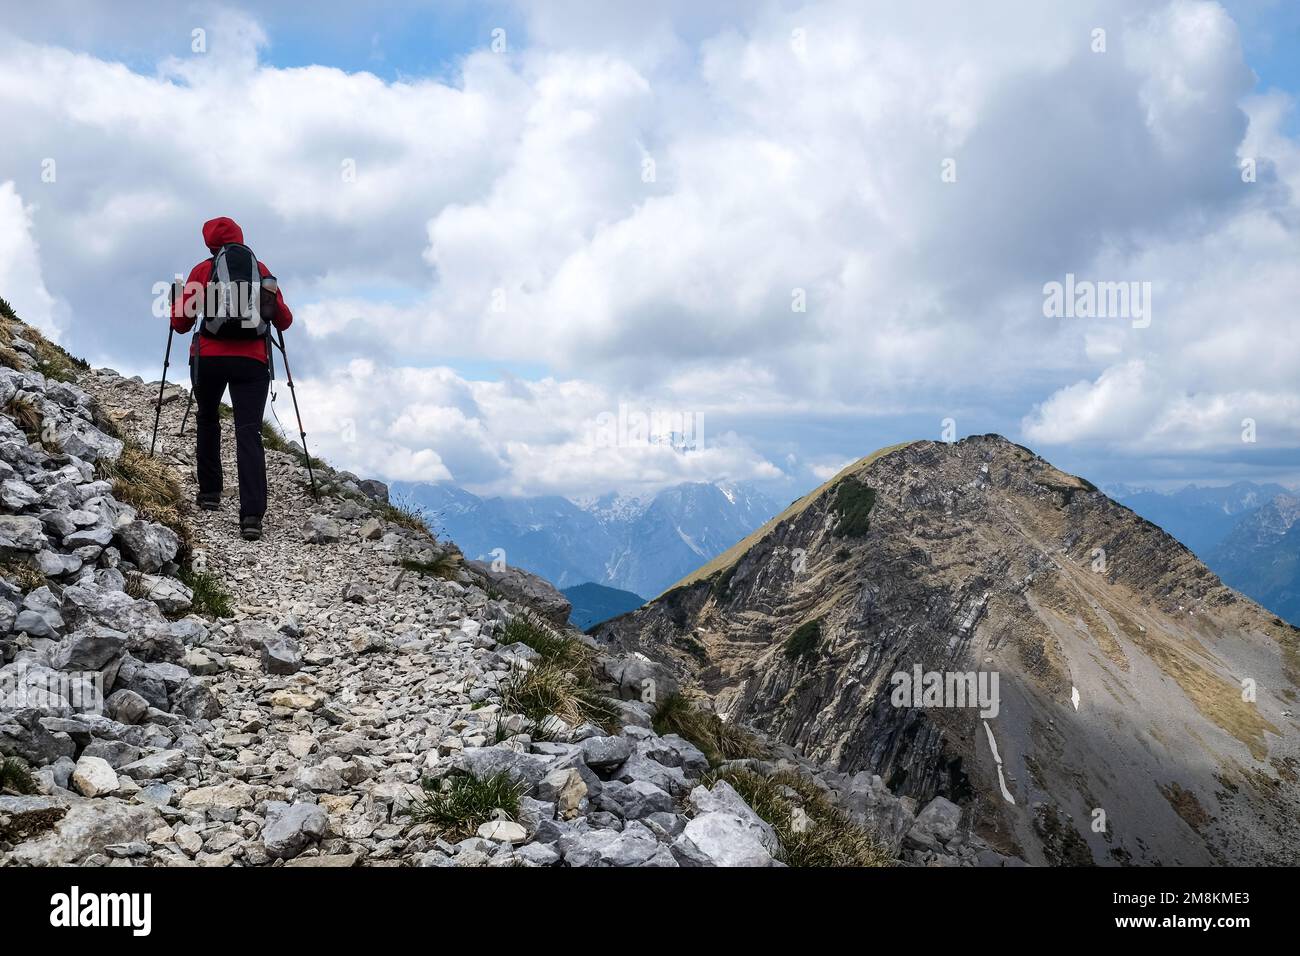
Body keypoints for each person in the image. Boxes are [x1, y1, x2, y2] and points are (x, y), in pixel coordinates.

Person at [171, 216, 293, 541]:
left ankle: (210, 494)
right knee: (249, 431)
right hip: (252, 362)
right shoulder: (261, 270)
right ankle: (251, 516)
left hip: (209, 360)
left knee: (208, 418)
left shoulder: (202, 271)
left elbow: (180, 323)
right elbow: (285, 320)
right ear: (241, 237)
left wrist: (178, 301)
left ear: (209, 242)